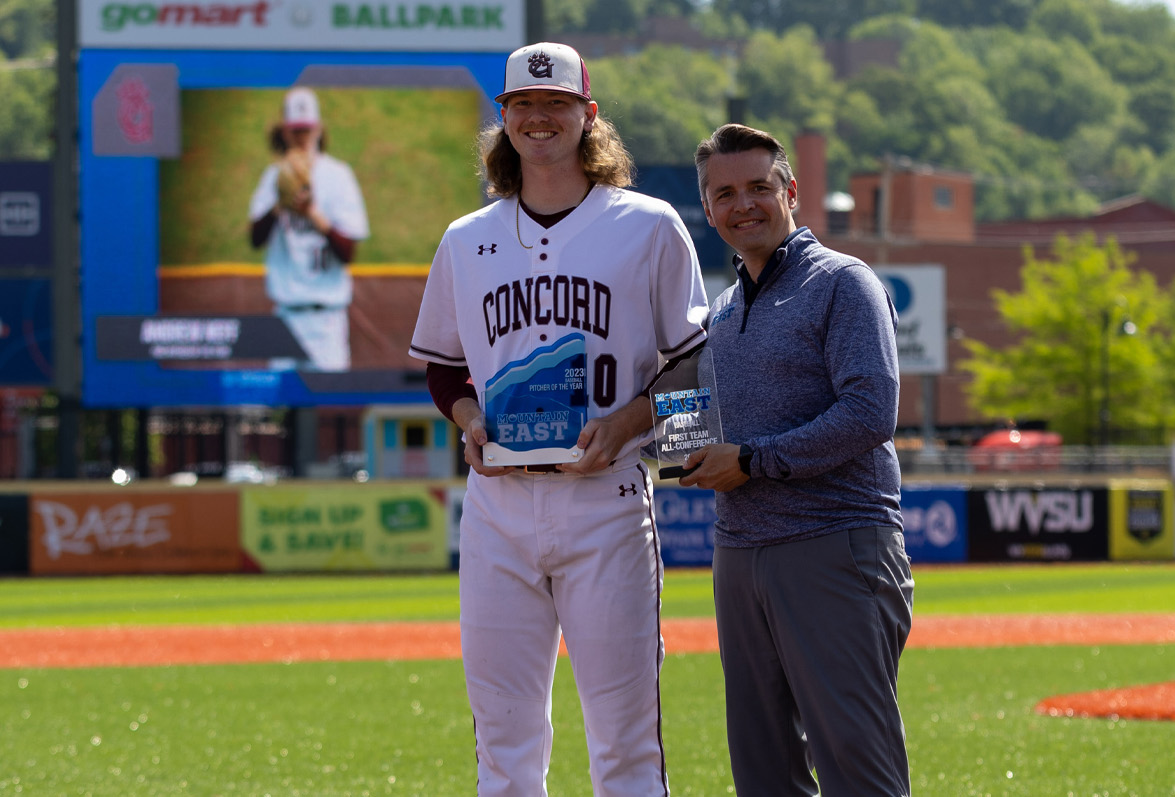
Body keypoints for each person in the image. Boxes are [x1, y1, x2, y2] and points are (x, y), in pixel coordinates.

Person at [407, 42, 708, 796]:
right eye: (524, 106)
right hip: (497, 507)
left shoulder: (648, 224)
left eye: (556, 104)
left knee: (627, 743)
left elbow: (696, 362)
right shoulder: (465, 238)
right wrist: (468, 415)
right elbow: (443, 364)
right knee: (504, 749)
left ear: (588, 114)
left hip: (604, 498)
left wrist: (634, 418)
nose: (540, 118)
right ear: (504, 120)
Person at [681, 123, 914, 796]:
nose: (743, 204)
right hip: (741, 550)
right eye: (724, 193)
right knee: (762, 766)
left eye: (759, 187)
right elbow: (702, 425)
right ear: (708, 209)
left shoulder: (843, 282)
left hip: (833, 542)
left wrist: (751, 460)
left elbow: (870, 413)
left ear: (792, 191)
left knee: (856, 764)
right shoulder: (719, 313)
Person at [248, 87, 369, 371]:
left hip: (327, 320)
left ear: (317, 130)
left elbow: (348, 252)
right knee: (280, 408)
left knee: (331, 407)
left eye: (306, 130)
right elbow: (255, 238)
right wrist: (280, 204)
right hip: (285, 317)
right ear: (285, 132)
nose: (302, 137)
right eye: (295, 131)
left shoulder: (339, 176)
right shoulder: (274, 177)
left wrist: (313, 214)